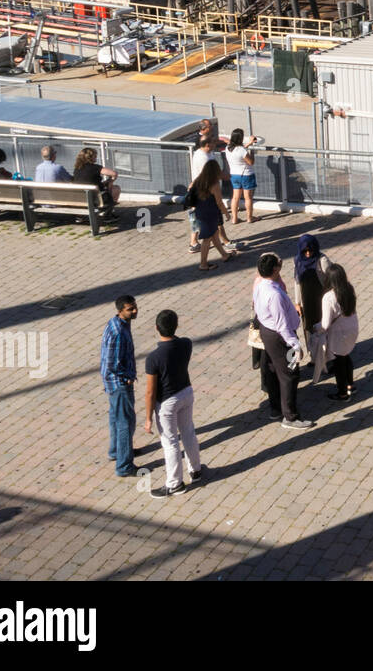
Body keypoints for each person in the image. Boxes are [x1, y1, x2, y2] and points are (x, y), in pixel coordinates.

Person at [143, 308, 203, 497]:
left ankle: (174, 483)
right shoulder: (186, 344)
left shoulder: (153, 358)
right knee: (188, 432)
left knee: (170, 443)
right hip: (186, 392)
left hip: (167, 402)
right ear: (176, 326)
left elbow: (150, 391)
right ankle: (196, 469)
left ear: (156, 328)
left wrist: (148, 418)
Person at [253, 252, 313, 429]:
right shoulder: (274, 295)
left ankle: (276, 407)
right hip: (279, 336)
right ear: (274, 269)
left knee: (272, 370)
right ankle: (290, 417)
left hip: (267, 331)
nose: (281, 263)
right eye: (278, 263)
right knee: (290, 374)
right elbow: (282, 325)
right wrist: (295, 344)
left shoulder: (260, 285)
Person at [100, 295, 139, 477]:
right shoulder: (118, 332)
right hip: (119, 382)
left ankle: (117, 451)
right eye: (130, 309)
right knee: (126, 422)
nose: (134, 311)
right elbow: (112, 364)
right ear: (120, 311)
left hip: (113, 382)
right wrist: (127, 377)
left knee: (116, 417)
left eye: (135, 307)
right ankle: (124, 466)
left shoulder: (118, 323)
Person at [321, 263, 359, 401]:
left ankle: (343, 393)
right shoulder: (349, 288)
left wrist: (315, 328)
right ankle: (350, 385)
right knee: (346, 356)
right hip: (352, 329)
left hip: (339, 334)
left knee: (339, 364)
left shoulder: (328, 297)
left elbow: (325, 324)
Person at [189, 159, 234, 270]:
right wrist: (227, 214)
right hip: (210, 214)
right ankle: (203, 264)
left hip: (200, 212)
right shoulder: (214, 184)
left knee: (214, 234)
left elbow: (190, 189)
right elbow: (219, 202)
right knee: (207, 239)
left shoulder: (198, 180)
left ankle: (224, 255)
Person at [293, 233, 332, 336]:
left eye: (310, 250)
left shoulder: (322, 260)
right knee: (309, 328)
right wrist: (297, 303)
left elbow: (333, 276)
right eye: (305, 251)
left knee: (324, 324)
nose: (308, 253)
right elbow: (297, 282)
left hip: (322, 298)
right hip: (306, 301)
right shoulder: (298, 261)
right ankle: (313, 349)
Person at [226, 128, 259, 225]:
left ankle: (234, 218)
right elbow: (251, 162)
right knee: (248, 198)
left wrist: (249, 144)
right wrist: (252, 150)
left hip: (234, 175)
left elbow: (240, 150)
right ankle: (249, 218)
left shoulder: (228, 148)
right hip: (246, 175)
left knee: (235, 197)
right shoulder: (241, 150)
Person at [72, 147, 120, 211]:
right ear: (90, 157)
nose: (96, 157)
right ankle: (108, 213)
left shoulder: (77, 169)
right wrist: (111, 181)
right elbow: (114, 174)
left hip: (80, 198)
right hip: (95, 198)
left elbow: (88, 181)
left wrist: (106, 182)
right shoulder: (95, 168)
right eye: (95, 155)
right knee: (116, 188)